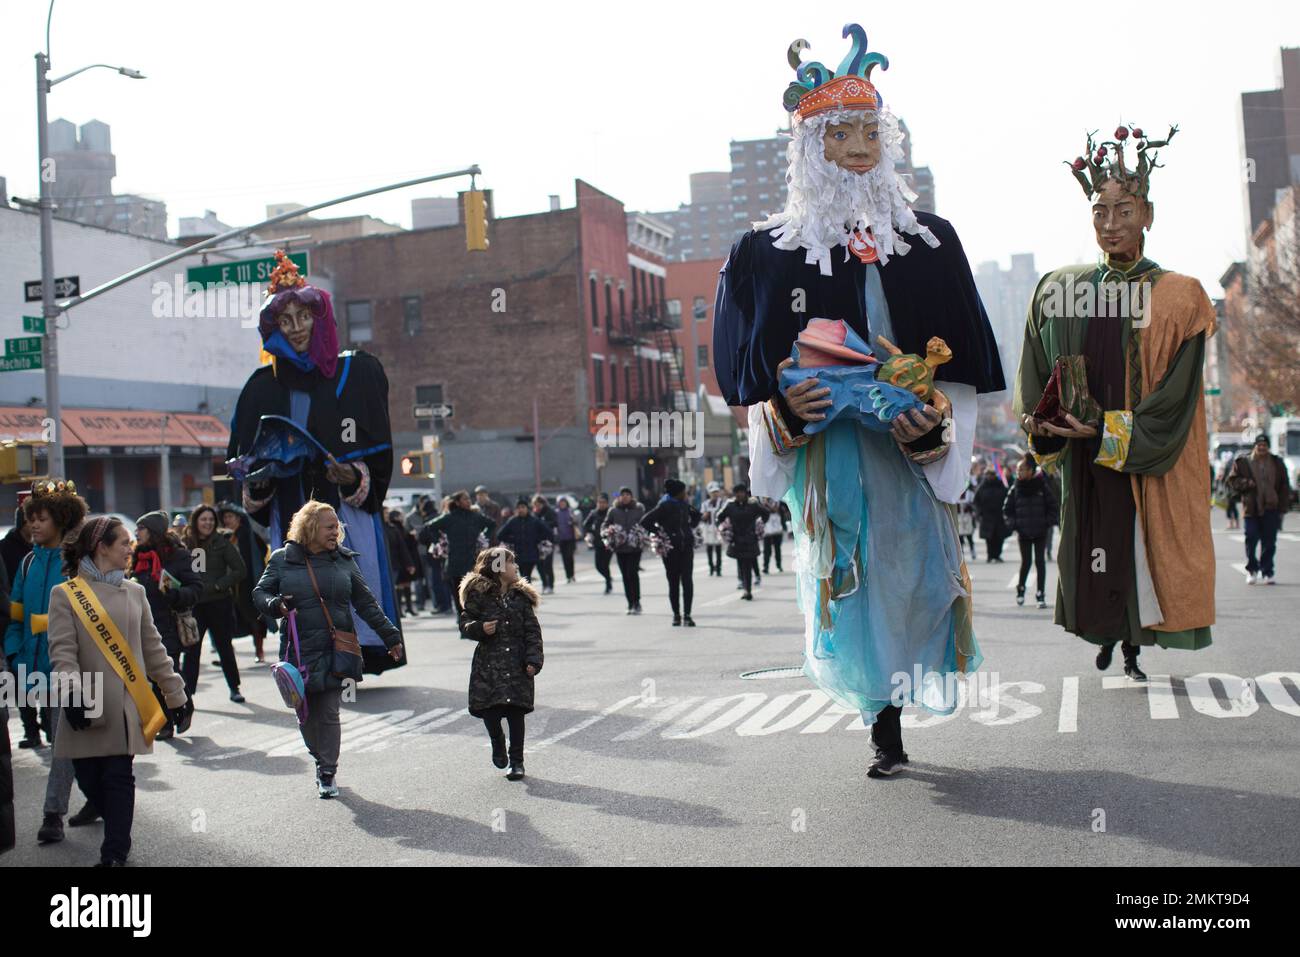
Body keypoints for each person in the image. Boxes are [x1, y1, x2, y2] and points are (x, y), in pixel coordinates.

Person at [712, 25, 1004, 777]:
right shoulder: (766, 253)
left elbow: (962, 371)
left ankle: (895, 702)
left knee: (913, 578)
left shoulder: (932, 243)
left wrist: (935, 427)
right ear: (812, 148)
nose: (856, 146)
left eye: (868, 130)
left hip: (905, 451)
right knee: (853, 580)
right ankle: (884, 720)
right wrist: (789, 413)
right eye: (838, 132)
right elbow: (754, 384)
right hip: (836, 455)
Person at [1015, 122, 1215, 682]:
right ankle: (1109, 633)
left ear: (1147, 215)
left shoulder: (1181, 296)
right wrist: (1044, 422)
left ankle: (1129, 641)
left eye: (1124, 211)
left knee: (1137, 554)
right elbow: (1034, 370)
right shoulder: (1058, 289)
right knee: (1096, 550)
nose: (1111, 225)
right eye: (1100, 213)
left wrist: (1104, 430)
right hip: (1085, 464)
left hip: (1138, 463)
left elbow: (1176, 400)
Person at [227, 249, 404, 677]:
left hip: (344, 511)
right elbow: (243, 471)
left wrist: (352, 475)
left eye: (303, 318)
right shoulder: (259, 388)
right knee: (299, 590)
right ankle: (304, 663)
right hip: (290, 511)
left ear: (318, 317)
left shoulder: (357, 373)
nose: (296, 329)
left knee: (347, 584)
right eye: (284, 322)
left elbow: (378, 453)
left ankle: (354, 655)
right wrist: (261, 479)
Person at [46, 516, 188, 866]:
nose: (130, 548)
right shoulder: (65, 594)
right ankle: (104, 817)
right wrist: (72, 693)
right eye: (123, 542)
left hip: (125, 707)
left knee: (118, 779)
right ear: (101, 547)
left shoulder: (135, 591)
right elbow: (62, 652)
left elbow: (154, 649)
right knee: (90, 780)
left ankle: (114, 853)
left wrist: (176, 694)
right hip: (86, 705)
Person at [254, 501, 403, 798]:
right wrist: (275, 605)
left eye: (338, 526)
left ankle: (328, 771)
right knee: (306, 716)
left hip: (338, 648)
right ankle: (319, 757)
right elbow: (260, 592)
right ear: (310, 527)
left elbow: (367, 603)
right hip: (298, 651)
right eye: (330, 526)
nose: (336, 531)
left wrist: (391, 637)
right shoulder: (284, 559)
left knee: (330, 712)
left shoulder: (344, 560)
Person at [6, 481, 99, 842]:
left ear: (60, 520)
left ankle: (52, 815)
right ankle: (99, 799)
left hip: (71, 670)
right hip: (33, 668)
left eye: (41, 518)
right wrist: (14, 654)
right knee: (77, 741)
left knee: (63, 741)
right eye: (31, 519)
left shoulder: (78, 562)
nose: (34, 525)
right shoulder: (28, 562)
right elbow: (15, 614)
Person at [458, 546, 544, 781]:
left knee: (516, 712)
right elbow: (465, 622)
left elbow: (532, 632)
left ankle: (517, 762)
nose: (515, 567)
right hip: (489, 664)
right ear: (497, 567)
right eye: (510, 563)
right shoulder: (479, 594)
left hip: (517, 663)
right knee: (490, 710)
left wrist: (533, 660)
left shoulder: (521, 598)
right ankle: (497, 740)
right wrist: (479, 628)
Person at [131, 511, 205, 737]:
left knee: (168, 669)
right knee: (151, 676)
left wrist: (174, 593)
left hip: (170, 623)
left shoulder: (179, 556)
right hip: (144, 624)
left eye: (141, 529)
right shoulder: (137, 556)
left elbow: (196, 588)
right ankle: (164, 721)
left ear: (152, 532)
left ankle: (184, 707)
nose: (137, 533)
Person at [184, 504, 248, 701]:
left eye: (211, 520)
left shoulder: (222, 542)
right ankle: (187, 693)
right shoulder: (187, 543)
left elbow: (240, 570)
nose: (208, 523)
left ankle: (234, 688)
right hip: (195, 605)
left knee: (224, 647)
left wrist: (219, 585)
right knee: (192, 650)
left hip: (219, 603)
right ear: (196, 521)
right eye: (203, 519)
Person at [419, 490, 497, 616]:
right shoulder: (449, 518)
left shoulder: (475, 516)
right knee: (458, 596)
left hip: (473, 561)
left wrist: (482, 538)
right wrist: (439, 542)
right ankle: (463, 622)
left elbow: (492, 524)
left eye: (469, 499)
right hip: (454, 563)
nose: (468, 501)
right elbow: (430, 527)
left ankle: (472, 621)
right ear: (457, 502)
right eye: (465, 499)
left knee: (473, 594)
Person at [1229, 433, 1291, 585]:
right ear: (1255, 446)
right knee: (1251, 539)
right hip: (1251, 508)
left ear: (1268, 447)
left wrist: (1283, 507)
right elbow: (1232, 480)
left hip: (1271, 508)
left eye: (1264, 445)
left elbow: (1284, 485)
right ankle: (1252, 570)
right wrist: (1245, 483)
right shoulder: (1243, 462)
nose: (1262, 447)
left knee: (1269, 542)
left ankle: (1267, 571)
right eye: (1259, 445)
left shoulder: (1277, 462)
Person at [640, 478, 702, 626]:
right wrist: (660, 532)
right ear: (677, 493)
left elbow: (696, 515)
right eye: (683, 492)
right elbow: (645, 521)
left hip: (686, 547)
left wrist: (690, 527)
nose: (685, 494)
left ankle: (687, 616)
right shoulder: (664, 506)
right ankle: (676, 615)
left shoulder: (685, 504)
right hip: (670, 549)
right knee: (673, 582)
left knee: (687, 581)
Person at [218, 502, 272, 663]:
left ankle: (259, 651)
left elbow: (261, 550)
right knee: (227, 620)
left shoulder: (248, 534)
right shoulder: (223, 537)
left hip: (247, 583)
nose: (227, 520)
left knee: (254, 618)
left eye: (230, 517)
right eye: (225, 517)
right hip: (229, 584)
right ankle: (227, 655)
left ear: (238, 519)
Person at [1003, 456, 1057, 608]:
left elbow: (1053, 506)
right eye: (1018, 469)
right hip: (1024, 532)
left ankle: (1040, 594)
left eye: (1022, 469)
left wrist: (1048, 522)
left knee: (1040, 562)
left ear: (1031, 471)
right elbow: (1007, 509)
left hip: (1041, 531)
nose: (1018, 472)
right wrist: (1014, 524)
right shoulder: (1016, 487)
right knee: (1026, 562)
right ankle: (1020, 590)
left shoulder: (1042, 486)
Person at [716, 484, 768, 601]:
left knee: (747, 565)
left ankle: (747, 590)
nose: (739, 494)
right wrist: (723, 529)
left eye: (741, 492)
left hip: (750, 539)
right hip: (736, 540)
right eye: (737, 492)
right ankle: (745, 587)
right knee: (741, 564)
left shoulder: (753, 505)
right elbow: (719, 517)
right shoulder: (730, 506)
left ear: (745, 493)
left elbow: (765, 514)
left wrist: (759, 524)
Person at [602, 487, 646, 614]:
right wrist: (608, 532)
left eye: (628, 494)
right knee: (625, 576)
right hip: (620, 549)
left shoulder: (638, 509)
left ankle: (637, 602)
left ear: (631, 496)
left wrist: (642, 534)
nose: (625, 497)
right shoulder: (613, 510)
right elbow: (605, 525)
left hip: (635, 548)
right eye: (623, 495)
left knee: (632, 573)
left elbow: (645, 524)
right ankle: (630, 603)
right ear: (619, 497)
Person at [496, 499, 553, 585]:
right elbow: (500, 535)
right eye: (518, 508)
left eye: (523, 507)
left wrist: (537, 539)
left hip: (532, 553)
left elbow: (548, 532)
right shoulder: (513, 521)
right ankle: (528, 592)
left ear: (527, 508)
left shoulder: (534, 520)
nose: (520, 509)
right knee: (523, 574)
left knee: (527, 573)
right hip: (518, 553)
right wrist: (513, 540)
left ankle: (541, 587)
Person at [384, 509, 419, 618]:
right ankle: (397, 610)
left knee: (402, 585)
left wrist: (409, 563)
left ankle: (402, 610)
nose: (387, 515)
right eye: (385, 513)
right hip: (390, 562)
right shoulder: (382, 528)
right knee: (396, 587)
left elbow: (402, 547)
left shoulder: (393, 528)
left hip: (398, 563)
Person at [974, 468, 1009, 562]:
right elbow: (976, 501)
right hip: (987, 516)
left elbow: (1007, 498)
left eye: (991, 474)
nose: (990, 476)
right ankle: (990, 555)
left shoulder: (1000, 485)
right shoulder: (982, 487)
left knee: (999, 537)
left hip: (999, 515)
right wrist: (979, 512)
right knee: (989, 538)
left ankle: (997, 555)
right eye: (988, 474)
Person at [582, 494, 614, 593]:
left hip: (608, 543)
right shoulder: (594, 513)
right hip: (598, 542)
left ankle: (608, 584)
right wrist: (590, 532)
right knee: (598, 566)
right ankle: (608, 578)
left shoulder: (611, 512)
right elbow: (585, 524)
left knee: (605, 564)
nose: (601, 504)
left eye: (603, 502)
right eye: (599, 502)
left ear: (607, 503)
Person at [530, 495, 558, 594]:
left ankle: (551, 585)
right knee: (540, 565)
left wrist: (543, 523)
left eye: (538, 504)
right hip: (537, 542)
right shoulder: (533, 514)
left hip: (548, 542)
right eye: (534, 505)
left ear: (542, 504)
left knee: (547, 564)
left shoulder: (549, 512)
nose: (536, 507)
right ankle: (545, 584)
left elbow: (555, 523)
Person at [699, 482, 727, 576]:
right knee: (709, 549)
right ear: (709, 493)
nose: (715, 494)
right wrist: (705, 515)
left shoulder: (722, 503)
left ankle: (718, 569)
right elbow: (702, 517)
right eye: (712, 492)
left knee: (718, 549)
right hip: (708, 528)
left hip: (718, 528)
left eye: (716, 491)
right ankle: (711, 567)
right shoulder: (705, 504)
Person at [1, 506, 32, 585]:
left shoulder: (39, 547)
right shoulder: (4, 547)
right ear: (22, 524)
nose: (36, 524)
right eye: (31, 520)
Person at [553, 496, 580, 584]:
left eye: (563, 502)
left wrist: (573, 521)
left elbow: (577, 522)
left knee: (569, 557)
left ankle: (572, 575)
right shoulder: (556, 513)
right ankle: (568, 576)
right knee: (564, 558)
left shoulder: (570, 511)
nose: (562, 504)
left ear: (566, 503)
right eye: (561, 502)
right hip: (561, 539)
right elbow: (554, 524)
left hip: (570, 538)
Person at [761, 497, 791, 574]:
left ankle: (779, 566)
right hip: (766, 530)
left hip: (777, 529)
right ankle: (765, 567)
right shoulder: (763, 503)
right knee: (767, 550)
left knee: (777, 549)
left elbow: (786, 510)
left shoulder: (779, 502)